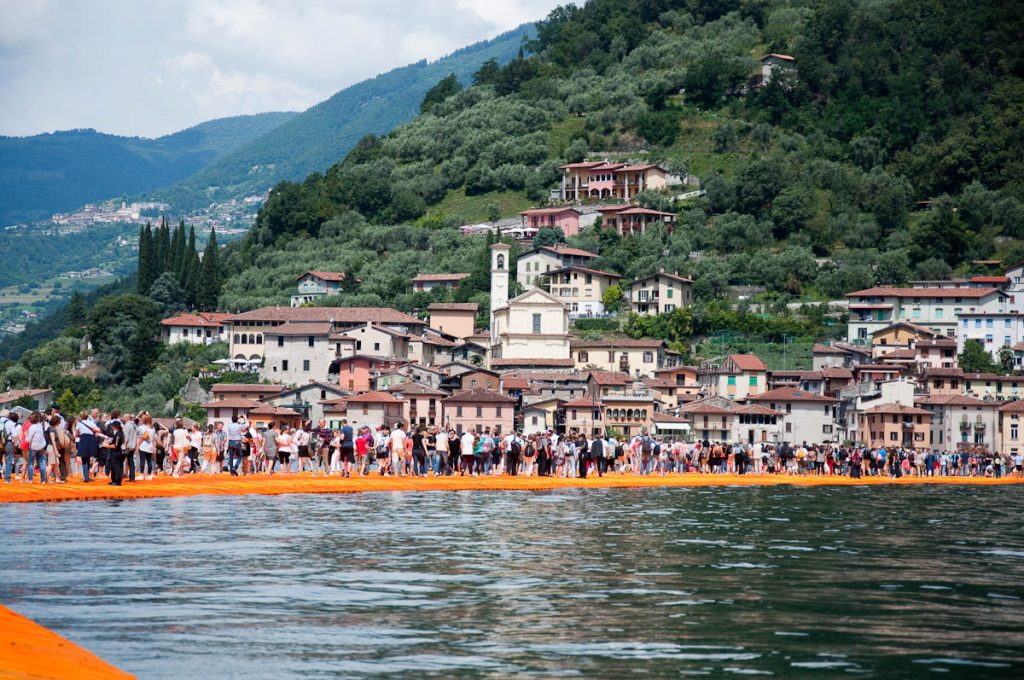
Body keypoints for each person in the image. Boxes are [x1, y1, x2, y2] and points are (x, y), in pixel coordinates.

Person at [103, 420, 126, 486]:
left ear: (115, 427)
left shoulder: (118, 434)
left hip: (116, 453)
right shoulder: (121, 433)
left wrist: (107, 445)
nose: (112, 427)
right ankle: (115, 480)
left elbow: (116, 445)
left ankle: (117, 481)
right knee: (118, 466)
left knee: (116, 467)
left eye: (112, 426)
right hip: (120, 453)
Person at [1, 411, 21, 484]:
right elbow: (15, 435)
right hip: (8, 442)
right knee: (8, 460)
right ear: (8, 415)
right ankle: (7, 479)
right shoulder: (10, 423)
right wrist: (15, 445)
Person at [138, 415, 156, 480]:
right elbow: (153, 439)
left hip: (143, 446)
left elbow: (142, 438)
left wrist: (137, 445)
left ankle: (142, 474)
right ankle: (149, 474)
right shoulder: (152, 428)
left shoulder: (142, 427)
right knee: (149, 461)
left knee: (142, 460)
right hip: (150, 446)